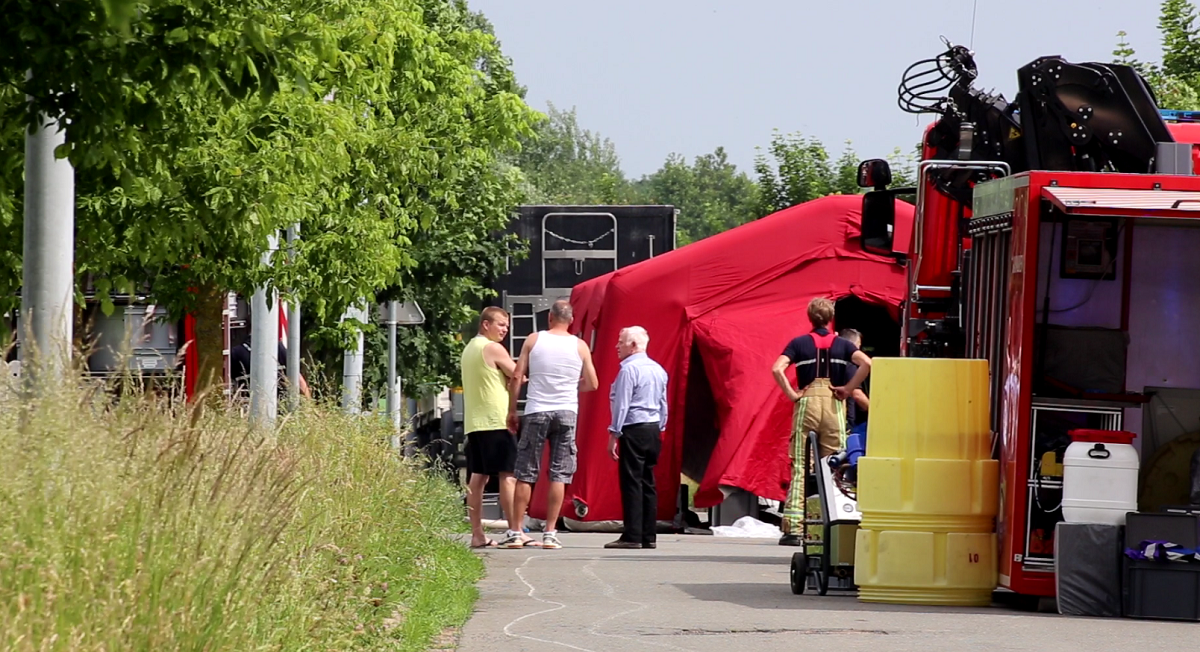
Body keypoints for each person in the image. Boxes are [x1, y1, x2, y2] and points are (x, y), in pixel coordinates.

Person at [770, 298, 871, 546]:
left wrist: (793, 394)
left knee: (801, 466)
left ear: (810, 318)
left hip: (807, 404)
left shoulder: (799, 344)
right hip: (833, 403)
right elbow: (867, 363)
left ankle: (793, 528)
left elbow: (776, 368)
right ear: (830, 318)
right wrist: (847, 388)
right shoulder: (842, 345)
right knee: (834, 466)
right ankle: (835, 526)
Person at [503, 300, 598, 549]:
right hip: (566, 412)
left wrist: (512, 410)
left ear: (550, 318)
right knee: (559, 473)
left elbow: (516, 376)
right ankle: (550, 532)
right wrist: (571, 386)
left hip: (536, 410)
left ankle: (515, 531)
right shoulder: (580, 346)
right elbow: (593, 383)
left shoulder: (534, 340)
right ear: (571, 321)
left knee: (526, 472)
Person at [460, 307, 524, 549]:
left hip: (475, 422)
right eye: (500, 324)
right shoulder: (493, 348)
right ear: (485, 324)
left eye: (506, 326)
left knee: (478, 477)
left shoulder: (469, 349)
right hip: (496, 419)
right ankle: (514, 531)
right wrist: (512, 379)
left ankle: (477, 534)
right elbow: (518, 374)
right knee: (508, 475)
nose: (504, 330)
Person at [604, 326, 669, 550]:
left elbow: (622, 404)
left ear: (632, 346)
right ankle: (648, 535)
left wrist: (614, 433)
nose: (617, 346)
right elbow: (663, 403)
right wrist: (661, 425)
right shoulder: (658, 369)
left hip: (633, 427)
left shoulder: (628, 371)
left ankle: (632, 534)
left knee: (631, 481)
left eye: (620, 342)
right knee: (648, 482)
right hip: (652, 428)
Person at [230, 333, 311, 400]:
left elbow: (226, 385)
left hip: (249, 410)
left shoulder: (235, 353)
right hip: (281, 407)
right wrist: (309, 405)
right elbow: (298, 378)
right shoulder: (277, 347)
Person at [837, 328, 870, 433]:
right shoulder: (849, 364)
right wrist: (875, 411)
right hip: (846, 424)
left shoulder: (833, 360)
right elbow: (857, 394)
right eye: (858, 346)